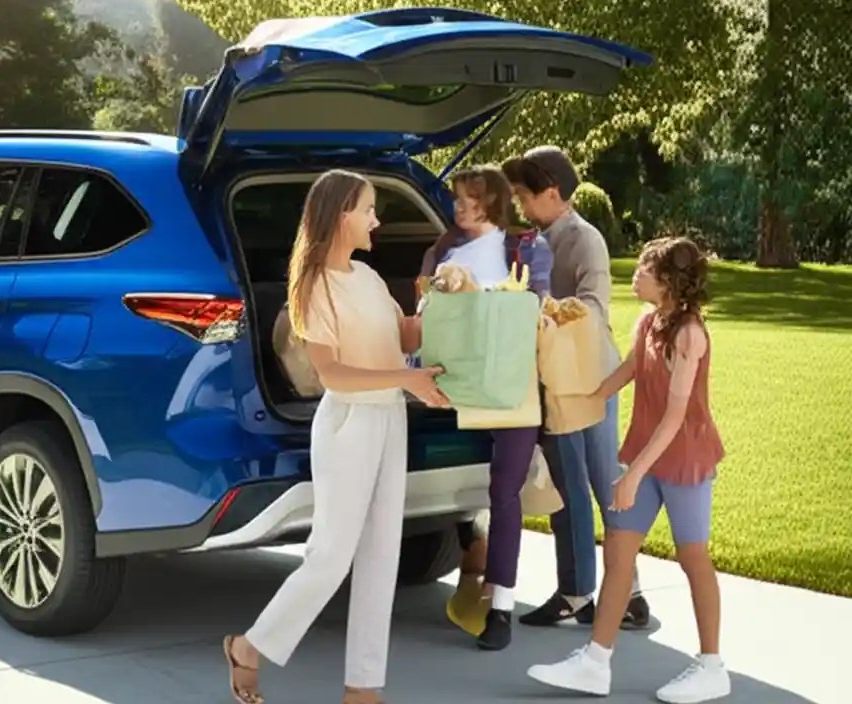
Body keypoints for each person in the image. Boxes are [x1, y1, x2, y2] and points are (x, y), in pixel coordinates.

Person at [222, 169, 450, 704]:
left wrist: (437, 302)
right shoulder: (313, 287)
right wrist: (406, 378)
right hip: (348, 422)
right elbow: (333, 375)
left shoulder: (368, 278)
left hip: (389, 418)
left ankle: (362, 688)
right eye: (369, 209)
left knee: (381, 556)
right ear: (341, 214)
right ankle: (249, 648)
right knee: (330, 556)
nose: (377, 220)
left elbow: (405, 336)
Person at [528, 236, 728, 703]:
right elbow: (630, 370)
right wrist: (587, 397)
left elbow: (676, 417)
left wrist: (633, 473)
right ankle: (595, 663)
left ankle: (712, 667)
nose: (634, 275)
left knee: (692, 556)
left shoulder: (689, 335)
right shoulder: (648, 322)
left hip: (683, 459)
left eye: (643, 269)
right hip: (647, 450)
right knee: (619, 550)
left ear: (667, 282)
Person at [500, 146, 651, 629]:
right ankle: (592, 592)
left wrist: (541, 308)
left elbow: (593, 308)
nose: (521, 205)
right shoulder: (536, 239)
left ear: (552, 193)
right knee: (570, 486)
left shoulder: (584, 241)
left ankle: (619, 593)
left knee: (603, 483)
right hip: (559, 379)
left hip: (591, 381)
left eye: (525, 196)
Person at [419, 165, 552, 651]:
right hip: (453, 385)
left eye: (469, 198)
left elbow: (539, 306)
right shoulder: (443, 251)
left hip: (513, 384)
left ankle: (501, 608)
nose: (459, 206)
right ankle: (472, 568)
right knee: (455, 486)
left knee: (506, 492)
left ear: (492, 201)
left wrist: (483, 297)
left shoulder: (525, 248)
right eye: (457, 197)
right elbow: (424, 311)